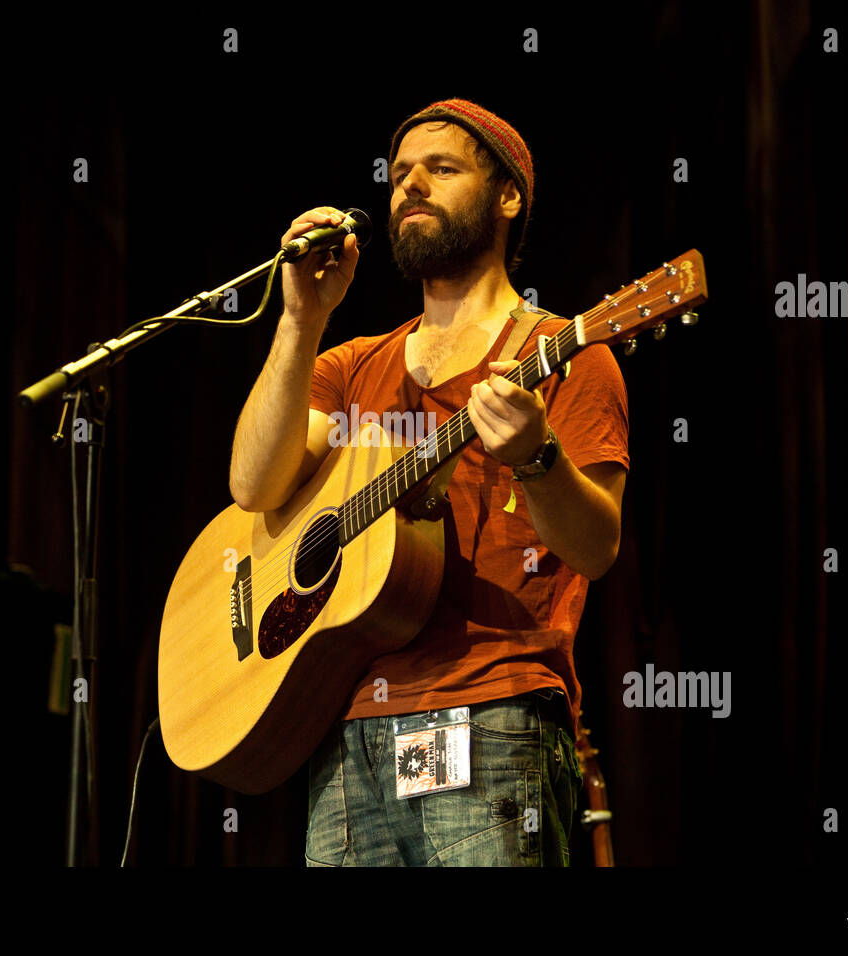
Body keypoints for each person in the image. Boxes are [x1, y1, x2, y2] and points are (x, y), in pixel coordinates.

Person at [228, 99, 629, 866]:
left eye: (440, 170)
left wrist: (537, 457)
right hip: (342, 734)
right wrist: (300, 320)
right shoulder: (350, 365)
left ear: (508, 196)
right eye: (399, 175)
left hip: (492, 716)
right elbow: (253, 483)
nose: (410, 186)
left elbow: (597, 545)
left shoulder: (568, 351)